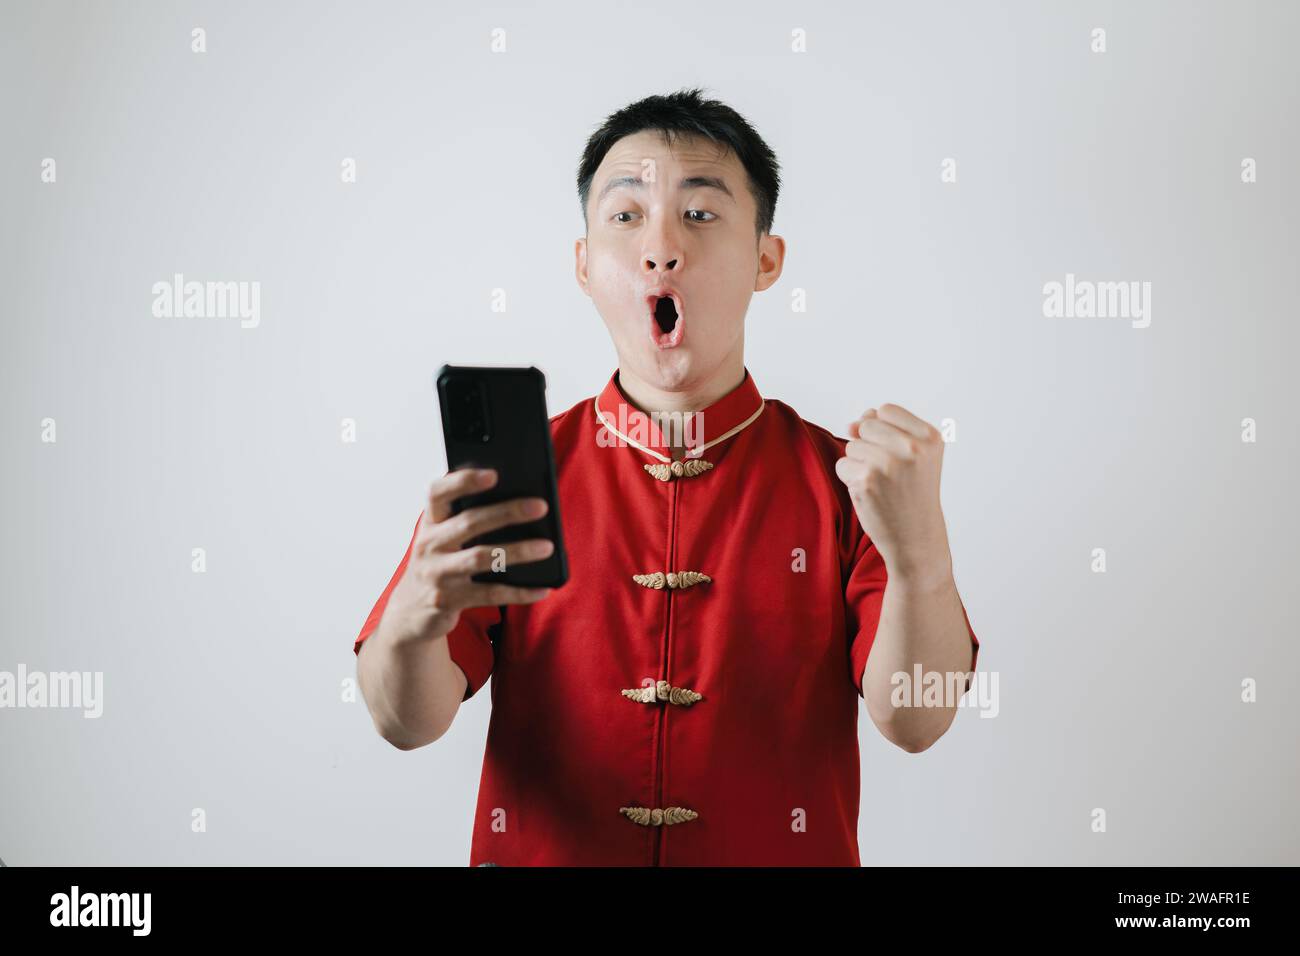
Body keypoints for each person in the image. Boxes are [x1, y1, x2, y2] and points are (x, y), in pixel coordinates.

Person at [354, 88, 980, 866]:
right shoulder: (510, 478)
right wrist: (413, 617)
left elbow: (916, 722)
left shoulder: (848, 480)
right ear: (584, 265)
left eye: (701, 213)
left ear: (766, 259)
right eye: (625, 215)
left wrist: (922, 559)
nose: (661, 248)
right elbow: (404, 723)